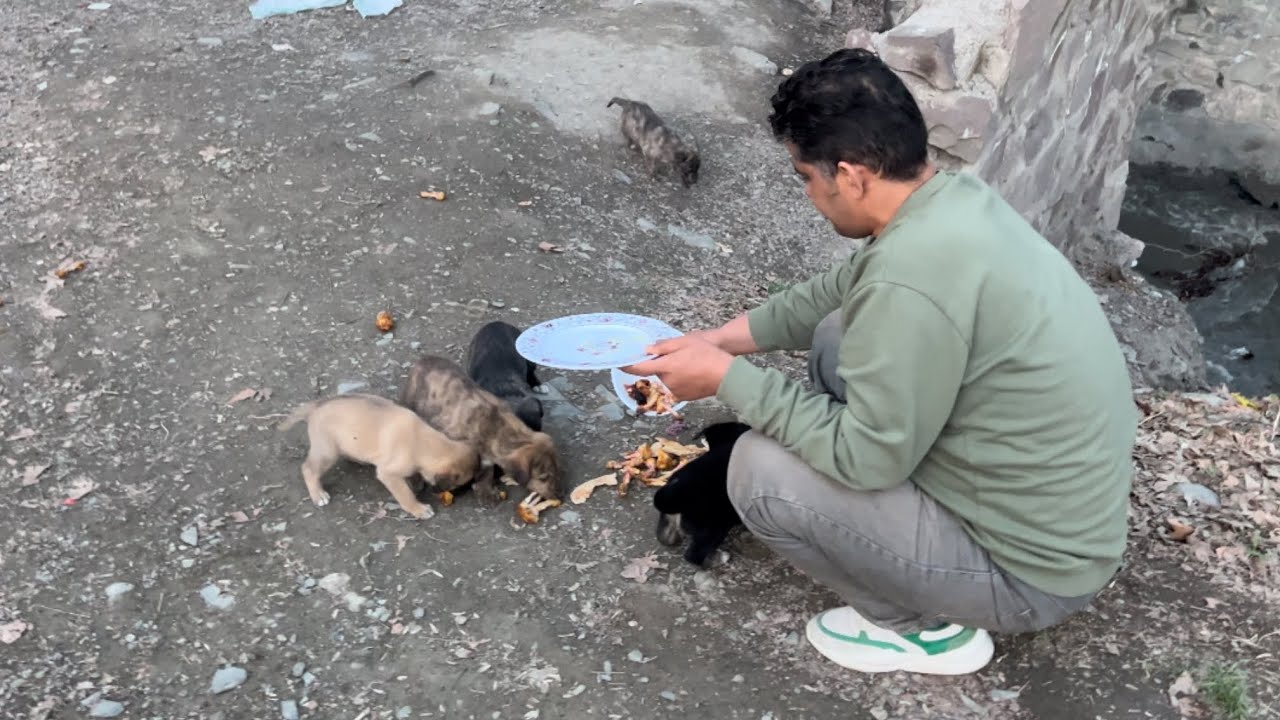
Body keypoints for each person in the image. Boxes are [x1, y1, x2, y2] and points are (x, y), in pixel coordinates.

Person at [620, 47, 1138, 676]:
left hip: (1028, 574)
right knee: (841, 331)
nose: (811, 195)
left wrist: (727, 380)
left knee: (756, 470)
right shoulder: (947, 206)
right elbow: (831, 297)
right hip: (1051, 517)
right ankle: (905, 541)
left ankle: (920, 632)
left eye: (806, 178)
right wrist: (719, 340)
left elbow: (869, 460)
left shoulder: (910, 283)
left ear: (852, 174)